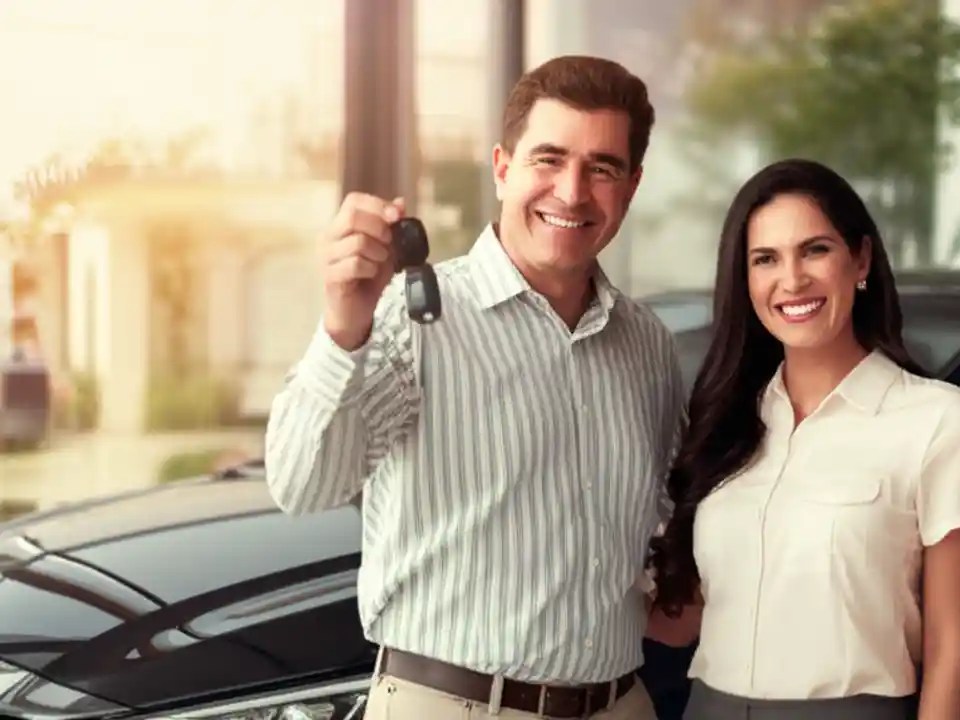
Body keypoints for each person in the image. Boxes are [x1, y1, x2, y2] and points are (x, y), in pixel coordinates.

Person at [264, 55, 685, 719]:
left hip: (620, 705)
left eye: (601, 168)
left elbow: (663, 527)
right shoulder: (408, 317)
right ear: (502, 167)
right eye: (548, 159)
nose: (572, 192)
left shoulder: (648, 346)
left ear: (630, 187)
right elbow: (302, 484)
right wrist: (345, 325)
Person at [645, 158, 960, 720]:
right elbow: (680, 620)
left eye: (814, 250)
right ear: (746, 281)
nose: (792, 280)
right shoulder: (724, 424)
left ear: (860, 259)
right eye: (765, 259)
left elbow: (950, 653)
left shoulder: (939, 422)